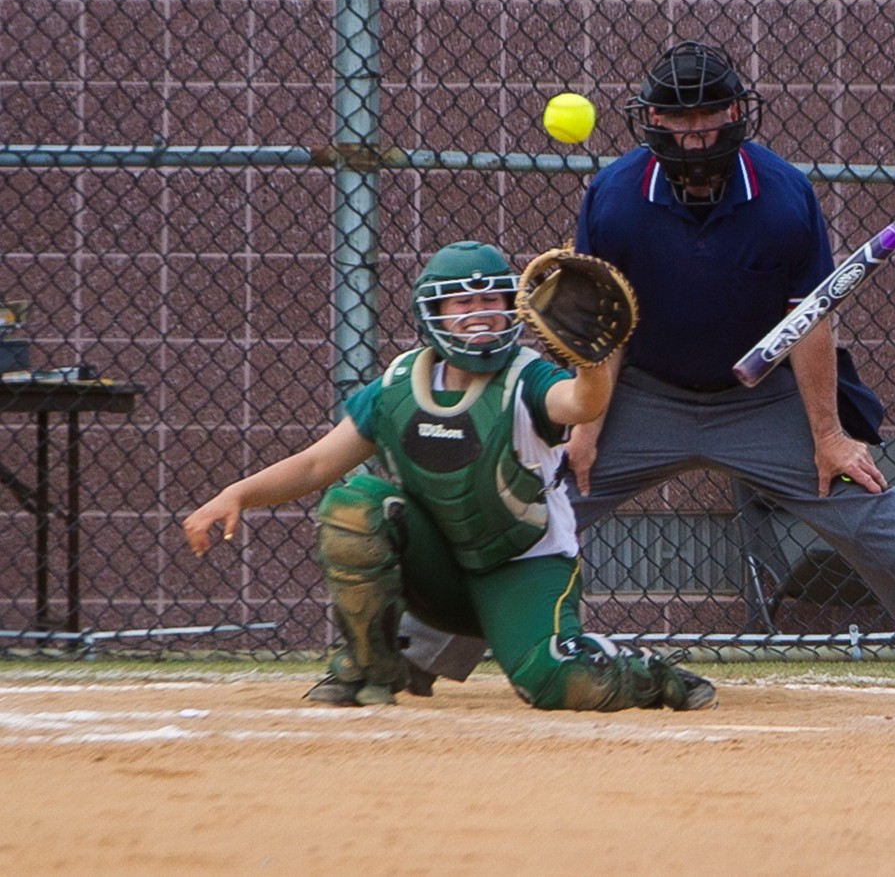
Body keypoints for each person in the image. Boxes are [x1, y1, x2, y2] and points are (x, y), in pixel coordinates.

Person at [555, 39, 895, 700]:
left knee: (867, 499)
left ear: (738, 112)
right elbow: (603, 323)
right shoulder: (614, 196)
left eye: (709, 112)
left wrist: (826, 433)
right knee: (538, 495)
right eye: (676, 116)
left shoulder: (782, 195)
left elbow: (811, 320)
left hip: (760, 400)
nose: (694, 130)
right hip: (643, 394)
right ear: (650, 120)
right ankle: (412, 640)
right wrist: (587, 422)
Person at [180, 240, 715, 712]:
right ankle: (370, 669)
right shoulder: (398, 382)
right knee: (354, 504)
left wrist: (591, 363)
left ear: (513, 307)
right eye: (462, 302)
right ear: (432, 312)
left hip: (521, 567)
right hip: (439, 572)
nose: (479, 314)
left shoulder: (527, 376)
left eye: (491, 301)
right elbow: (320, 463)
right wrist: (237, 495)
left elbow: (579, 404)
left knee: (557, 684)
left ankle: (645, 671)